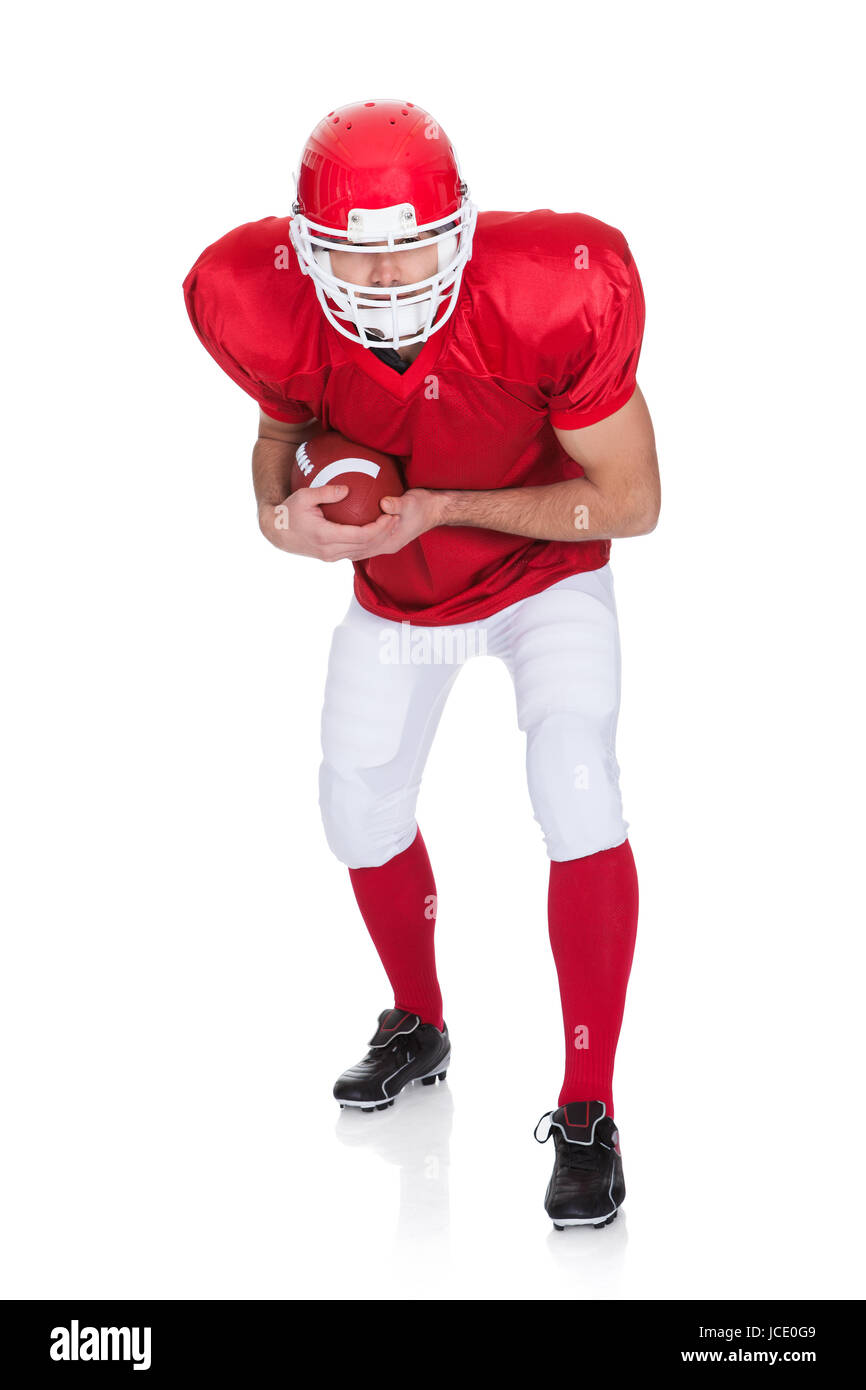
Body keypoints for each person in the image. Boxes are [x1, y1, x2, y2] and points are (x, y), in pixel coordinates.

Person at [183, 98, 660, 1228]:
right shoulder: (250, 296)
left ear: (464, 230)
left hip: (547, 575)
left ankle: (586, 1104)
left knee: (576, 782)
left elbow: (634, 502)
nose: (387, 276)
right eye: (354, 250)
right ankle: (419, 1019)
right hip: (398, 591)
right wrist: (275, 518)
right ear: (300, 248)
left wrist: (439, 505)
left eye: (411, 243)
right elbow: (274, 436)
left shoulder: (555, 287)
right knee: (353, 805)